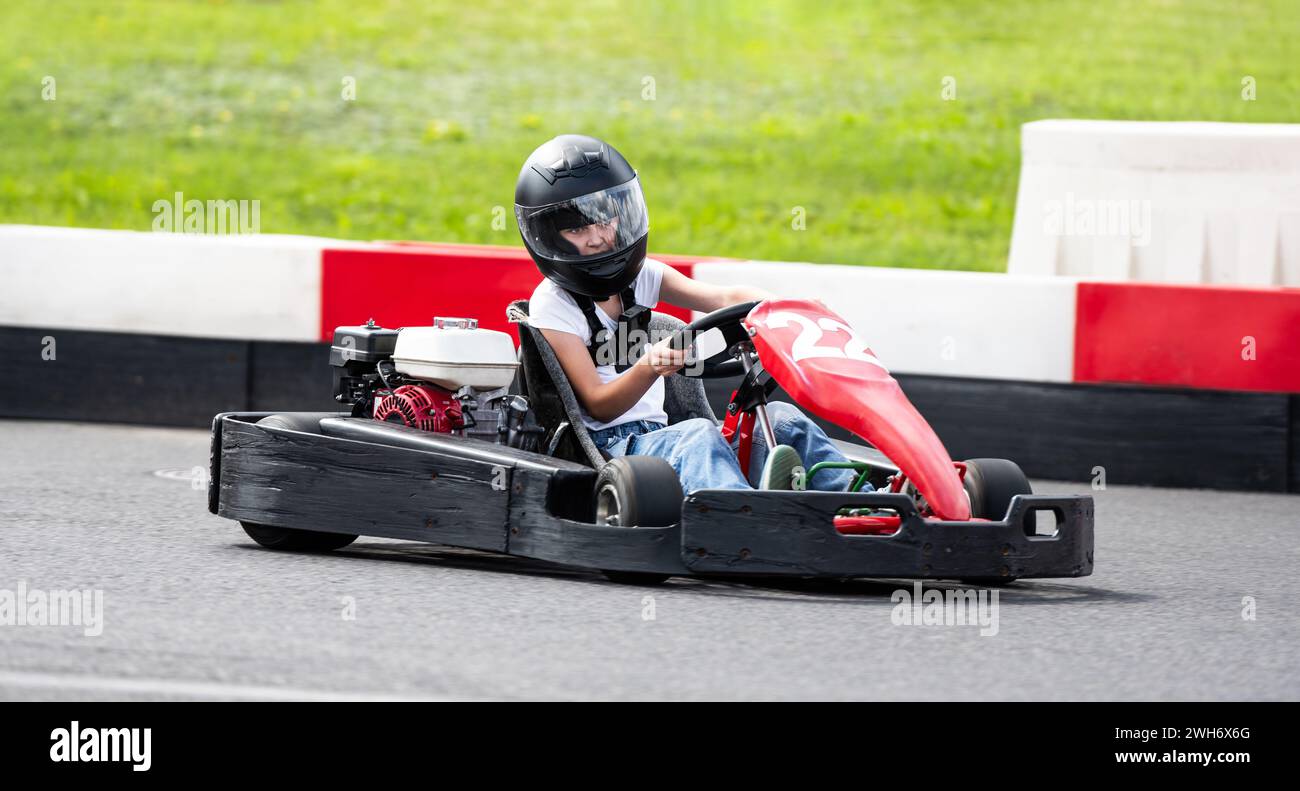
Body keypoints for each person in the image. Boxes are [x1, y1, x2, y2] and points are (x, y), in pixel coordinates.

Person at [514, 133, 868, 494]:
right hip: (614, 449)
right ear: (549, 237)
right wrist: (649, 367)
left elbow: (725, 297)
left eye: (605, 221)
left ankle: (864, 507)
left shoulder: (640, 277)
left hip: (669, 437)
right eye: (577, 228)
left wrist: (787, 310)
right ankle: (742, 516)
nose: (596, 238)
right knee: (698, 436)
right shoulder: (554, 305)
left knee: (783, 420)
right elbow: (599, 405)